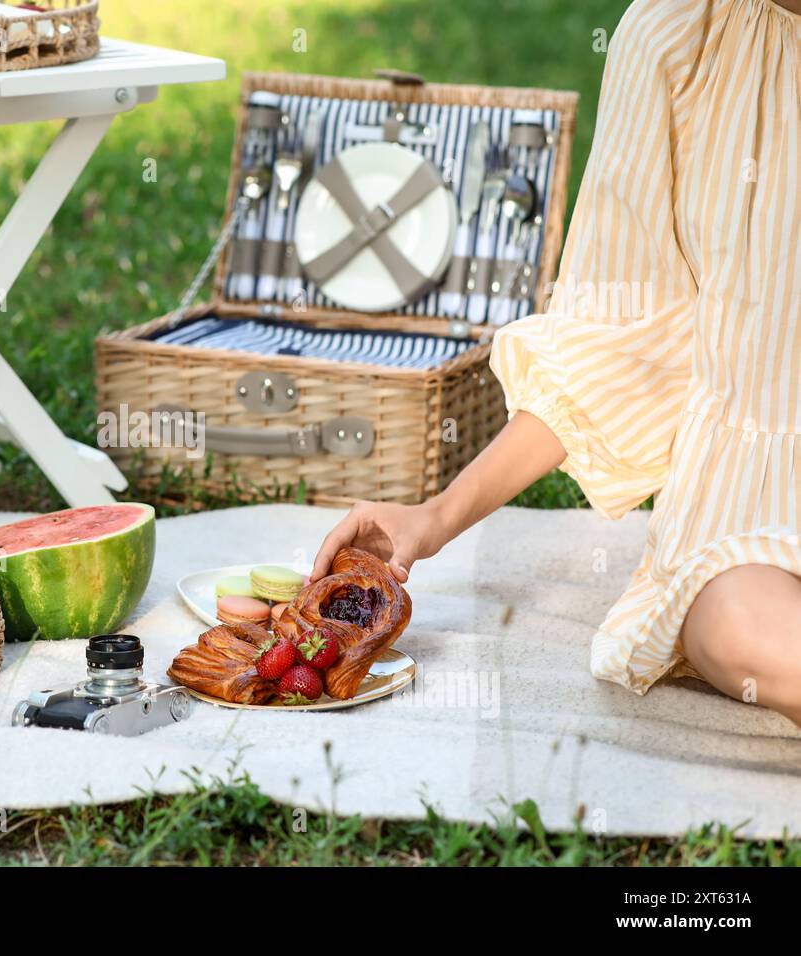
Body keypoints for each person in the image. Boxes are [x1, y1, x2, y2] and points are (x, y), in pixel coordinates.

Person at [312, 0, 801, 724]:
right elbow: (616, 343)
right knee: (740, 629)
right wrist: (436, 517)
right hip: (752, 498)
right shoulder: (674, 33)